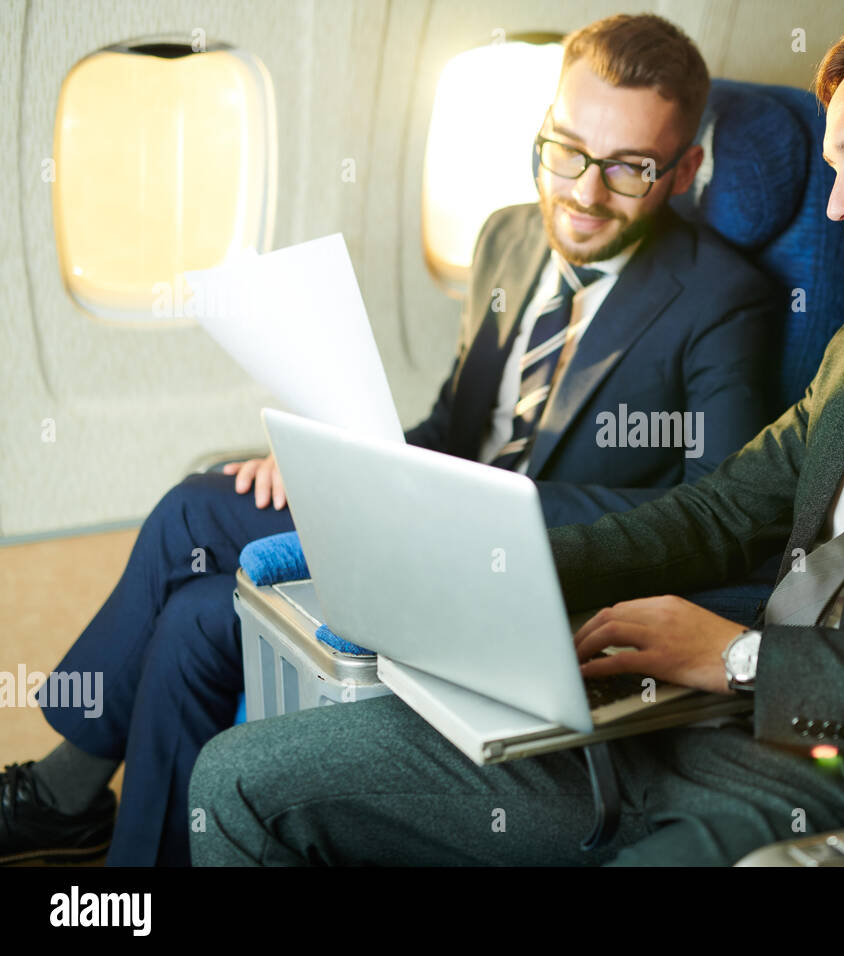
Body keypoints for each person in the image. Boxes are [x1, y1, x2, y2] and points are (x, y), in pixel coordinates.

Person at [188, 3, 844, 866]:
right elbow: (725, 507)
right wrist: (488, 568)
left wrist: (739, 658)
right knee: (239, 781)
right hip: (686, 726)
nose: (836, 205)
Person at [1, 13, 782, 867]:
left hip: (540, 574)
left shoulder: (722, 299)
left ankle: (61, 793)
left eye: (629, 168)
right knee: (195, 616)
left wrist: (491, 509)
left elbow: (716, 516)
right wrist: (335, 456)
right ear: (544, 132)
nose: (585, 193)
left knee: (195, 516)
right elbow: (453, 427)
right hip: (428, 534)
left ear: (683, 171)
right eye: (567, 149)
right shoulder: (508, 237)